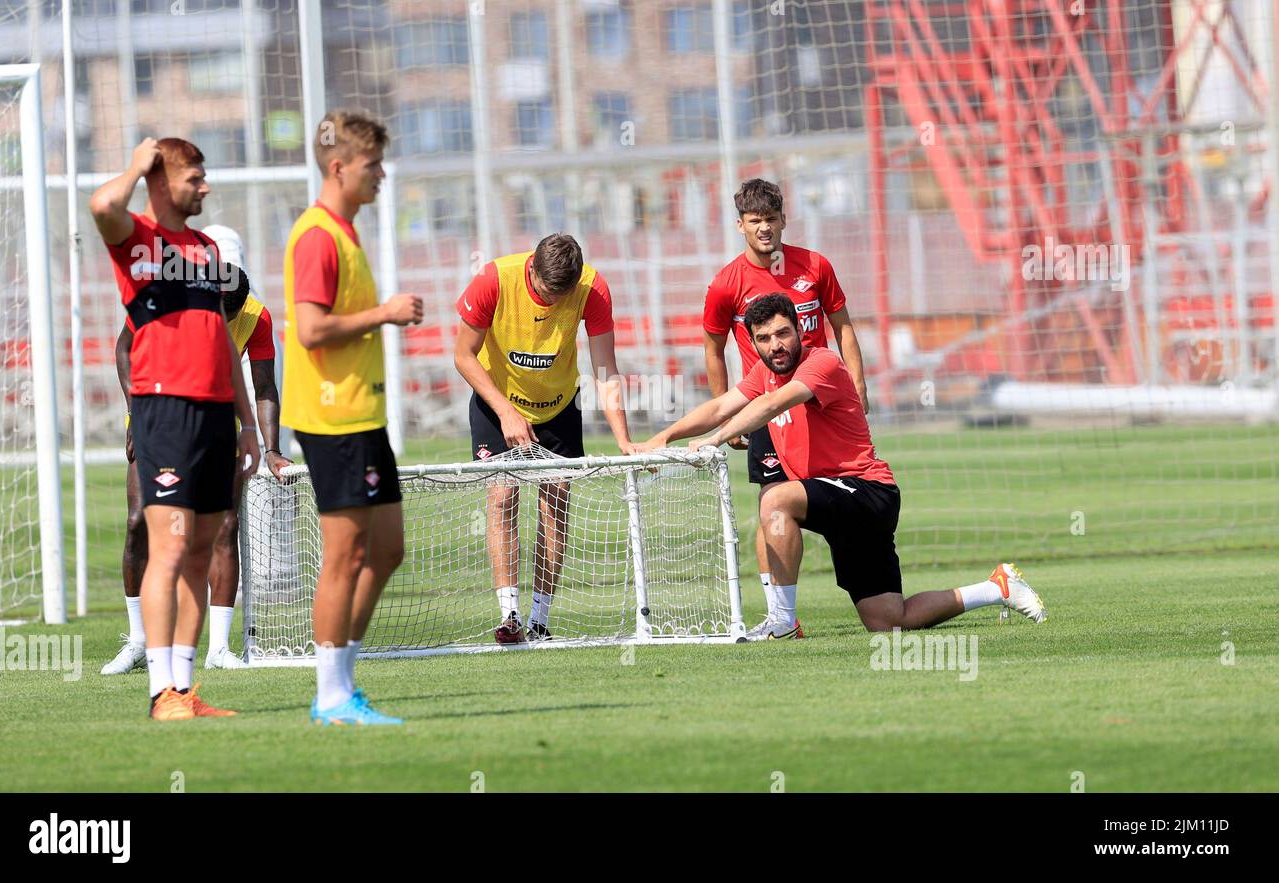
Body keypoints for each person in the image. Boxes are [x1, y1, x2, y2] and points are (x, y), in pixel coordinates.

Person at [632, 294, 1047, 637]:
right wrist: (664, 437)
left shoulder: (822, 363)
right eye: (764, 338)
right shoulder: (763, 372)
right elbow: (723, 404)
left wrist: (715, 439)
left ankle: (780, 622)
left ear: (798, 331)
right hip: (833, 502)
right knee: (888, 621)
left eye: (782, 333)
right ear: (753, 342)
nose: (775, 345)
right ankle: (997, 587)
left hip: (867, 492)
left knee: (775, 498)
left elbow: (773, 404)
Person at [90, 137, 260, 719]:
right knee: (170, 547)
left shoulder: (209, 253)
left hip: (217, 415)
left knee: (200, 550)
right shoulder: (137, 239)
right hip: (167, 412)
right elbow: (100, 206)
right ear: (162, 183)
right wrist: (139, 162)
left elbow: (224, 346)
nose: (205, 187)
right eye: (194, 177)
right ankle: (159, 690)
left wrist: (249, 427)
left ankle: (183, 688)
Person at [282, 110, 423, 725]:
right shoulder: (317, 235)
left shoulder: (345, 230)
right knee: (344, 556)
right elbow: (310, 330)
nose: (381, 174)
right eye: (372, 165)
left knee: (386, 550)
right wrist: (385, 313)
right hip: (331, 418)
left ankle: (343, 684)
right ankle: (332, 695)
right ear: (339, 167)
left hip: (361, 413)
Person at [101, 225, 292, 675]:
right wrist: (136, 410)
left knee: (225, 527)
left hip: (215, 424)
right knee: (138, 524)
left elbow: (264, 387)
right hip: (156, 419)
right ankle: (138, 642)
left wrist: (271, 446)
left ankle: (220, 649)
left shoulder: (254, 315)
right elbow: (124, 350)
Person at [702, 178, 870, 638]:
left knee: (847, 489)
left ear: (783, 220)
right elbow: (713, 348)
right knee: (770, 503)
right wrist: (727, 415)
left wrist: (857, 382)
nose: (764, 229)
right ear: (740, 225)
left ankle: (871, 583)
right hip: (766, 407)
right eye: (755, 221)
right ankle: (781, 616)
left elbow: (844, 327)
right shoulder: (726, 284)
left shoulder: (815, 266)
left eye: (771, 220)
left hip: (821, 404)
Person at [453, 233, 633, 644]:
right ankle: (509, 615)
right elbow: (463, 355)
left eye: (560, 296)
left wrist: (623, 438)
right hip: (496, 402)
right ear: (531, 268)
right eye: (546, 292)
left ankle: (539, 619)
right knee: (501, 497)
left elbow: (605, 366)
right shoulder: (494, 279)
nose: (552, 303)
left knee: (556, 500)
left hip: (558, 406)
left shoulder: (592, 288)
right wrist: (505, 411)